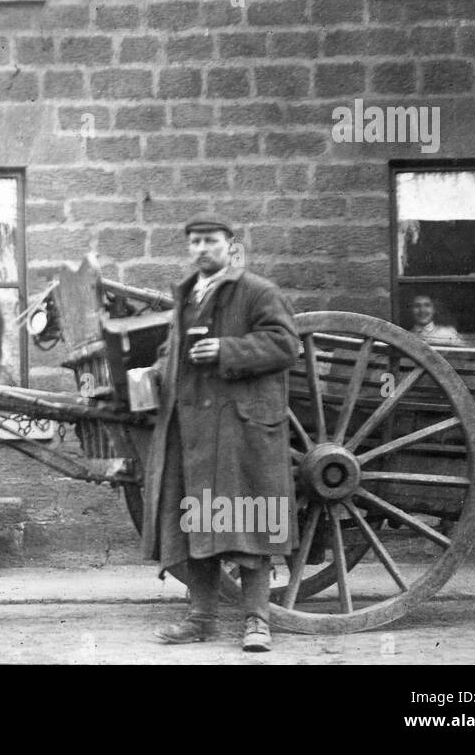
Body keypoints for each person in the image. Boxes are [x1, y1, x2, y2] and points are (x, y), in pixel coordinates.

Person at [141, 214, 300, 653]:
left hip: (239, 429)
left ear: (231, 246)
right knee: (198, 520)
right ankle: (202, 619)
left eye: (210, 241)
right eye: (194, 242)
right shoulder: (188, 294)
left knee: (248, 522)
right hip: (192, 431)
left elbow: (287, 344)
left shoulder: (257, 292)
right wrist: (154, 373)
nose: (201, 249)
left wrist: (229, 349)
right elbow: (173, 349)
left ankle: (257, 622)